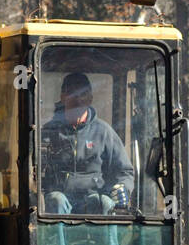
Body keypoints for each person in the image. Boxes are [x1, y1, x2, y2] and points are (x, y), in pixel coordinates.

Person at [41, 72, 135, 218]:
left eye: (83, 94)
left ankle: (104, 242)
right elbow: (34, 170)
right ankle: (54, 242)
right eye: (72, 93)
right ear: (63, 97)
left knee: (102, 202)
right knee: (56, 200)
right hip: (61, 200)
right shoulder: (49, 132)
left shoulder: (104, 132)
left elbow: (125, 172)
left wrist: (123, 187)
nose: (78, 99)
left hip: (93, 199)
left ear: (90, 99)